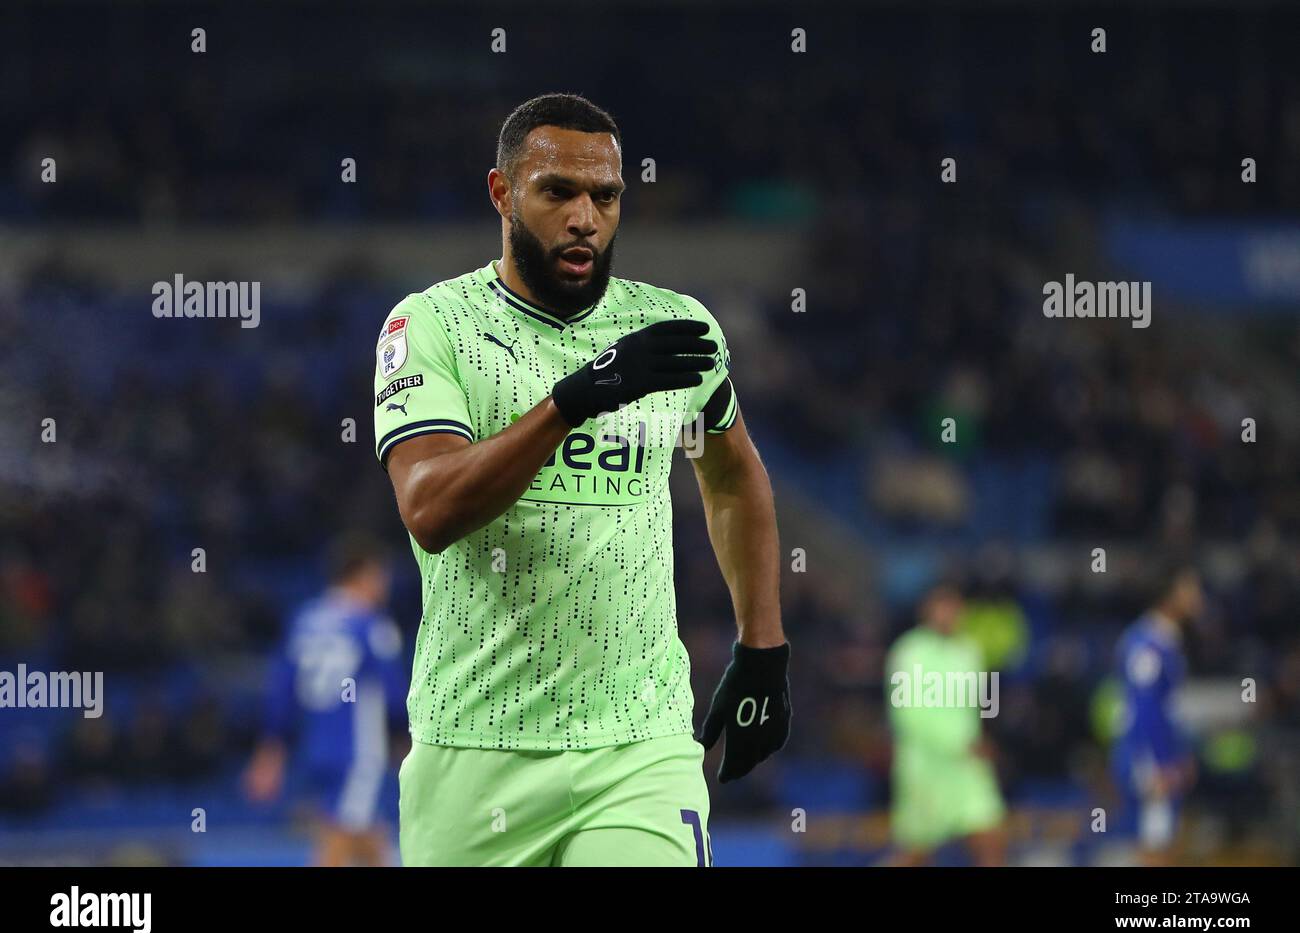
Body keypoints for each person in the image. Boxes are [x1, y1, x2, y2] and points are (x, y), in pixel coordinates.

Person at [373, 93, 791, 866]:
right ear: (502, 193)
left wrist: (763, 645)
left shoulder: (675, 332)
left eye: (605, 197)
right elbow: (428, 508)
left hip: (640, 750)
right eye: (557, 192)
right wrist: (572, 401)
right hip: (475, 749)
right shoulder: (432, 325)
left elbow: (733, 476)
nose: (584, 218)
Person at [244, 535, 407, 866]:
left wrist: (271, 749)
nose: (384, 584)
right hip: (358, 751)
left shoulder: (304, 621)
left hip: (316, 747)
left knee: (365, 833)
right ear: (364, 575)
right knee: (340, 837)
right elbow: (393, 695)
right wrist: (405, 738)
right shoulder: (371, 625)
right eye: (380, 575)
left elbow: (282, 690)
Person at [885, 582, 1006, 865]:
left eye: (954, 608)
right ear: (927, 611)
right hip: (924, 767)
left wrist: (983, 740)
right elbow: (907, 714)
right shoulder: (908, 651)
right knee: (916, 854)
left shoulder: (970, 651)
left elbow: (980, 706)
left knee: (991, 837)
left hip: (967, 768)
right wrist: (958, 743)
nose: (949, 614)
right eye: (942, 607)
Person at [1111, 564, 1204, 866]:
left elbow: (1169, 710)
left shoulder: (1166, 640)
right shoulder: (1147, 644)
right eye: (1189, 589)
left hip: (1163, 755)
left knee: (1163, 841)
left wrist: (1180, 754)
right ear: (1169, 595)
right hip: (1149, 757)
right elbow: (1143, 707)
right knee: (1154, 846)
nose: (1197, 597)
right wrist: (1158, 765)